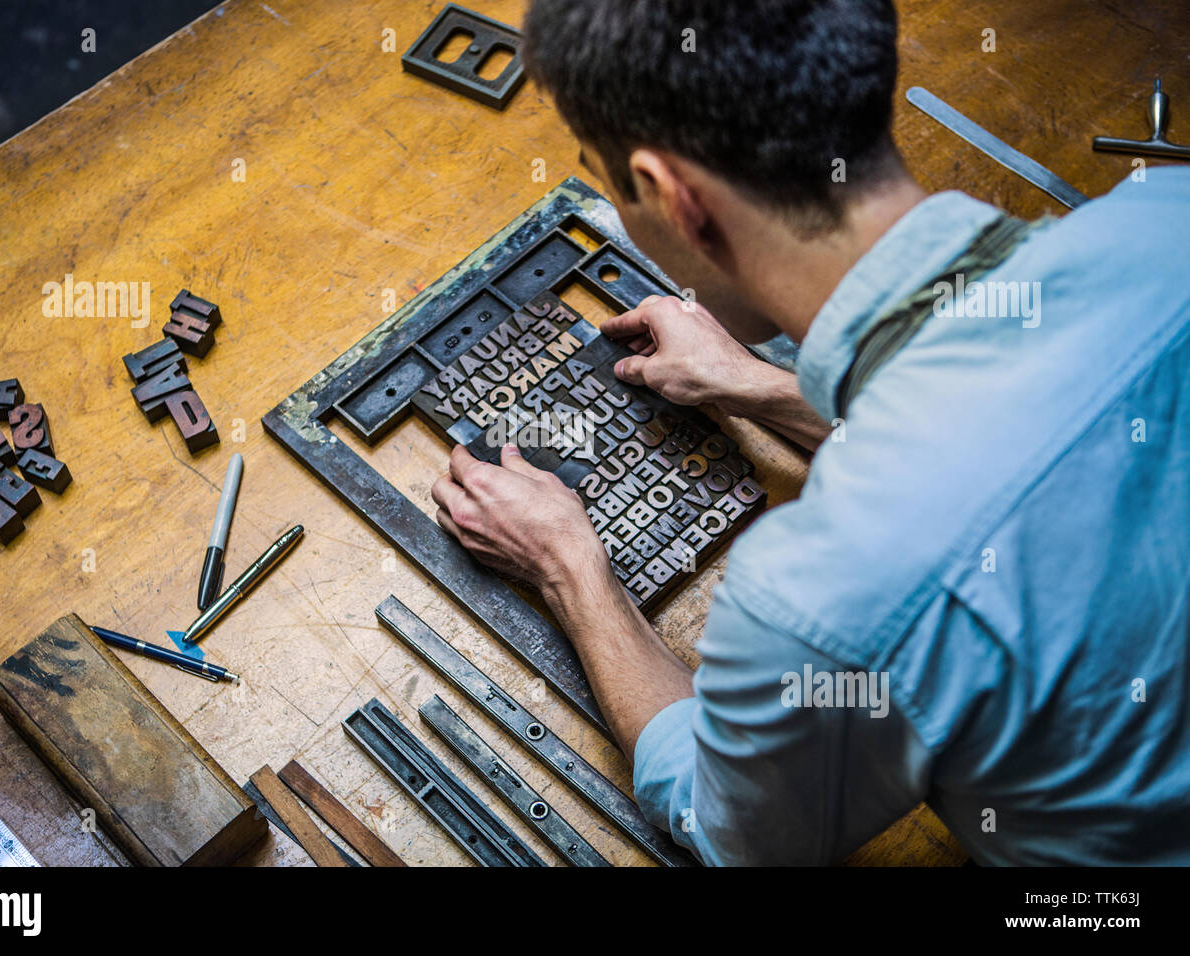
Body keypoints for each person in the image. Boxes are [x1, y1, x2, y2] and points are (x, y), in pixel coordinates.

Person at [430, 0, 1190, 864]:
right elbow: (1002, 445)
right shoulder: (1170, 210)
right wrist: (761, 389)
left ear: (677, 200)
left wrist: (569, 568)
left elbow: (735, 832)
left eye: (605, 179)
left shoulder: (824, 600)